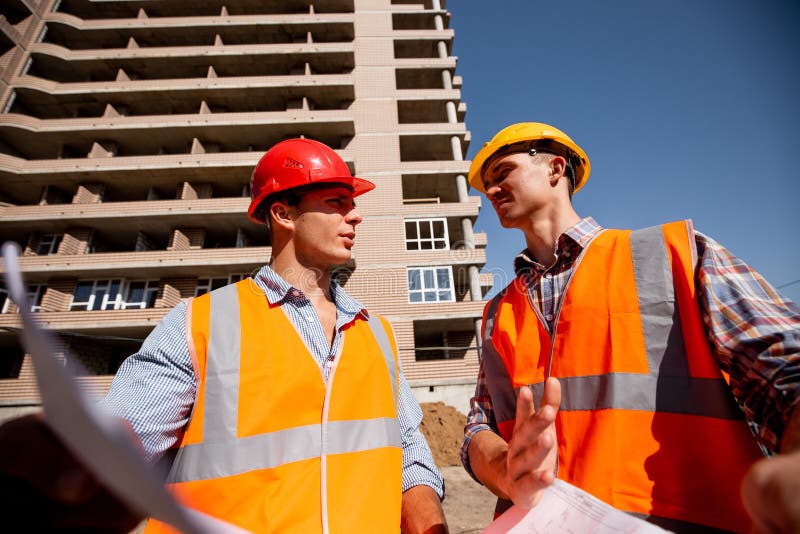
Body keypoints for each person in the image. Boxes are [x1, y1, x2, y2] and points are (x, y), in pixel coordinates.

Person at [1, 138, 448, 533]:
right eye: (336, 202)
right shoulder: (201, 322)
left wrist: (429, 523)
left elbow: (408, 451)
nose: (355, 216)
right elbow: (123, 435)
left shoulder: (377, 331)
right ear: (282, 213)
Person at [461, 122, 800, 532]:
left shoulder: (670, 253)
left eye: (503, 173)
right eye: (486, 186)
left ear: (554, 168)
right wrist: (504, 470)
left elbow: (784, 366)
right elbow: (480, 426)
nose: (492, 191)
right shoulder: (498, 311)